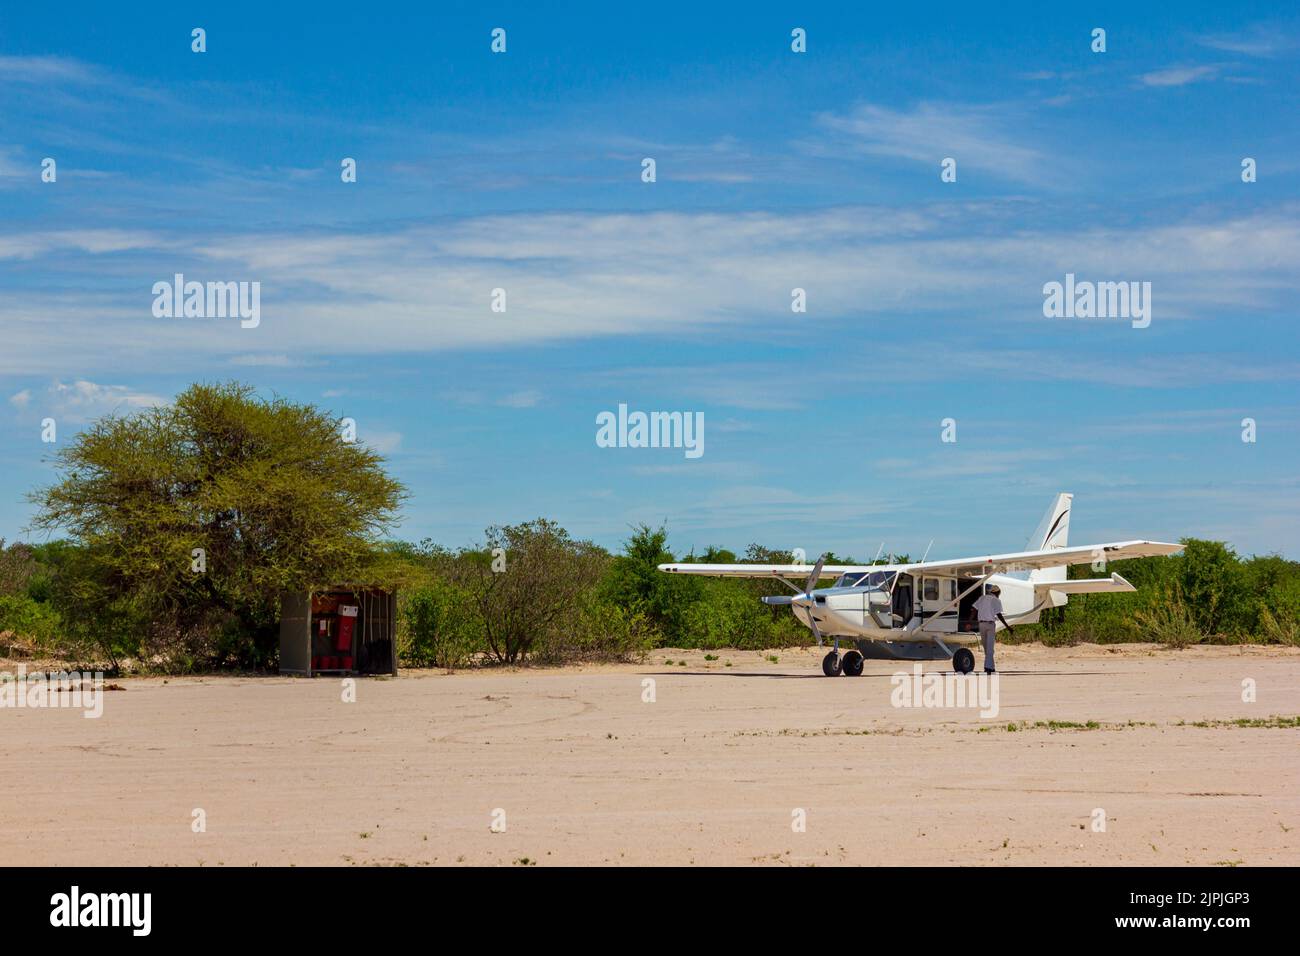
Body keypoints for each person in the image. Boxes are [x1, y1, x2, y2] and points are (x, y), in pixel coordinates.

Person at [972, 584, 1013, 674]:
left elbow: (974, 609)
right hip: (990, 625)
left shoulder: (982, 598)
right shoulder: (996, 600)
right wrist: (1007, 627)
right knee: (989, 648)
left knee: (987, 648)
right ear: (997, 592)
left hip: (981, 625)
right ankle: (988, 668)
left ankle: (990, 667)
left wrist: (969, 621)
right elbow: (999, 615)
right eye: (999, 593)